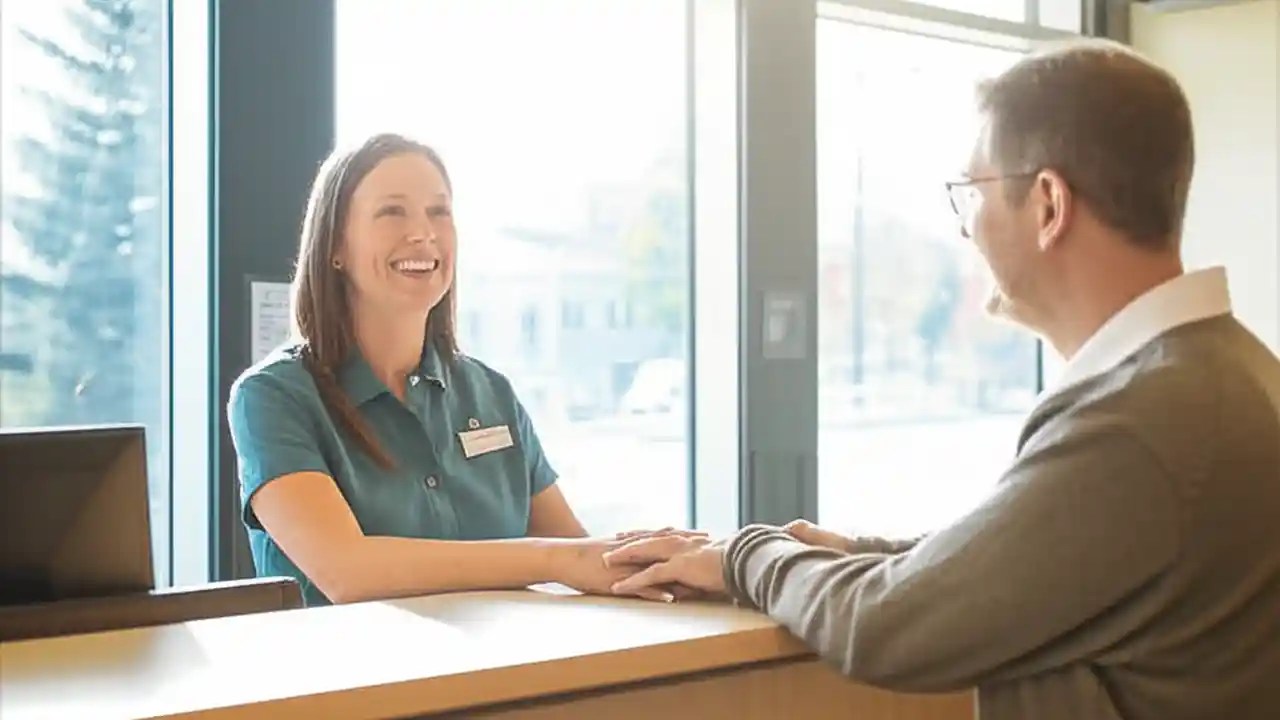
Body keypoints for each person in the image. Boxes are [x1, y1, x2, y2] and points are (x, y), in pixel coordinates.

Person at [604, 40, 1280, 720]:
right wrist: (860, 553)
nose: (966, 231)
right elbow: (1064, 561)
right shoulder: (1226, 375)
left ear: (1048, 205)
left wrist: (745, 554)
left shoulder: (1148, 420)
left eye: (971, 194)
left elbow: (887, 627)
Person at [226, 133, 682, 607]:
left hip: (504, 676)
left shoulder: (489, 393)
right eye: (392, 212)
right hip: (353, 678)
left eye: (439, 212)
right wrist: (550, 560)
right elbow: (347, 572)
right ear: (335, 245)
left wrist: (671, 563)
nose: (423, 232)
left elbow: (580, 553)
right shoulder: (272, 398)